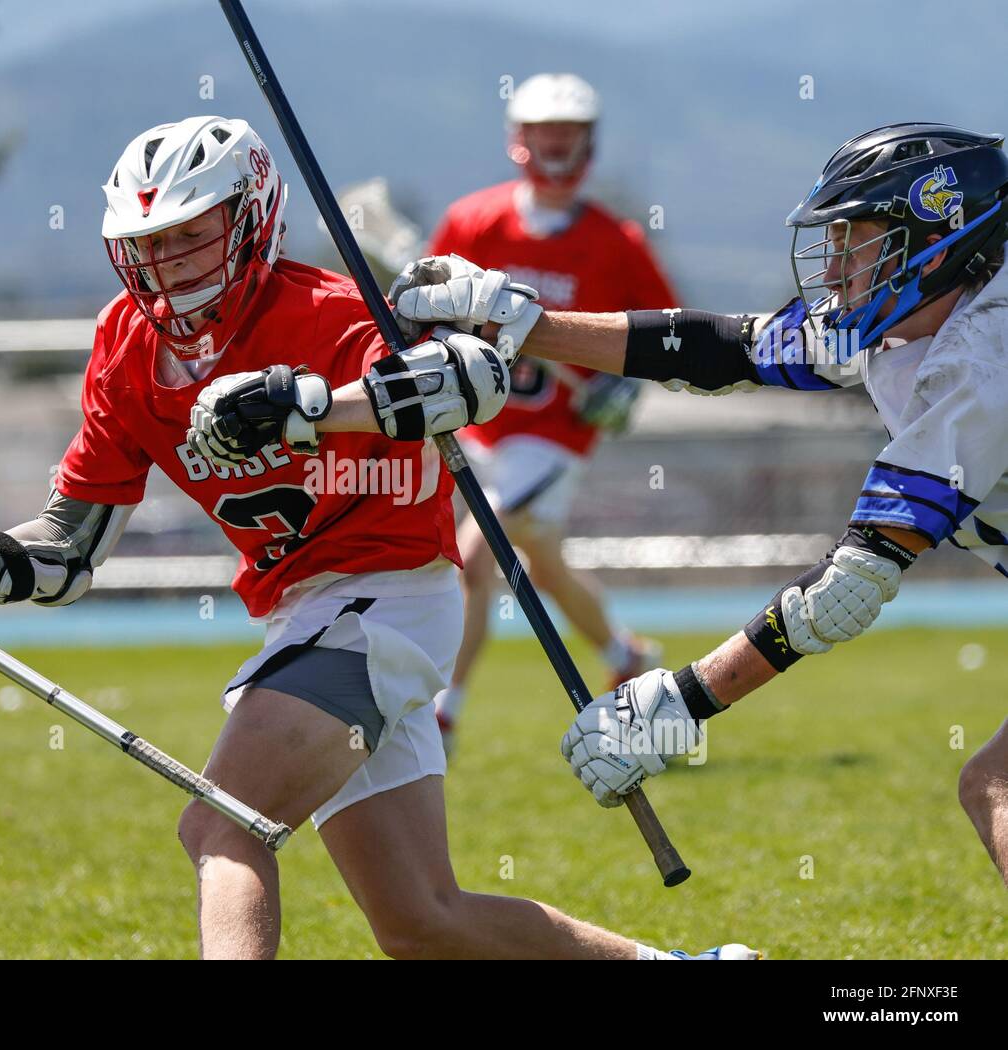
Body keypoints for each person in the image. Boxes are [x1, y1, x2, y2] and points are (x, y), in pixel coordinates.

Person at [0, 115, 758, 958]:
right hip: (306, 614)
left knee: (221, 824)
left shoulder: (325, 312)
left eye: (192, 235)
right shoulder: (126, 348)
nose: (171, 264)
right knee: (424, 922)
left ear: (251, 220)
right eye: (149, 244)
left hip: (388, 595)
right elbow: (67, 548)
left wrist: (308, 410)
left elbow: (474, 381)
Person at [389, 122, 1008, 889]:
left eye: (860, 239)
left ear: (937, 246)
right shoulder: (913, 319)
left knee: (996, 787)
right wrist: (529, 326)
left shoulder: (981, 362)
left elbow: (854, 583)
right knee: (994, 787)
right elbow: (725, 348)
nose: (838, 262)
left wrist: (680, 703)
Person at [424, 73, 677, 754]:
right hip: (480, 427)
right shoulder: (475, 221)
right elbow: (426, 313)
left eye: (569, 137)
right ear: (521, 142)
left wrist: (623, 385)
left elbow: (667, 333)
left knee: (476, 559)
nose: (557, 148)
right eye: (546, 136)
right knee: (543, 563)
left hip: (554, 436)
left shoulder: (615, 241)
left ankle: (444, 715)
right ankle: (625, 654)